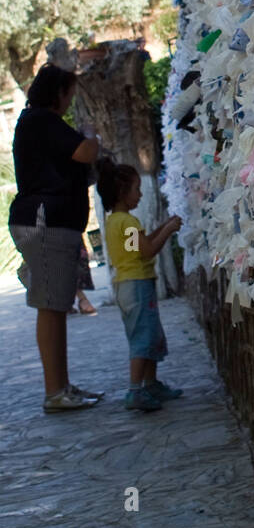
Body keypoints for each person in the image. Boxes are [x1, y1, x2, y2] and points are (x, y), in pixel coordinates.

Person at [8, 64, 105, 412]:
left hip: (50, 224)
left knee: (56, 305)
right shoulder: (41, 121)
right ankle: (54, 391)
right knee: (50, 307)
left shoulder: (37, 123)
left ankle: (61, 385)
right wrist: (91, 135)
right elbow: (84, 152)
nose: (70, 101)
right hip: (44, 224)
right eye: (68, 94)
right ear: (58, 93)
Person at [96, 158, 183, 412]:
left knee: (149, 333)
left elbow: (139, 245)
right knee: (143, 337)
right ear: (123, 194)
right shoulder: (128, 223)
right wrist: (168, 231)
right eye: (136, 189)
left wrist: (164, 226)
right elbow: (147, 251)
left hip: (130, 286)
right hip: (136, 286)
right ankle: (136, 390)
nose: (140, 193)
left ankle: (150, 383)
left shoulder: (117, 221)